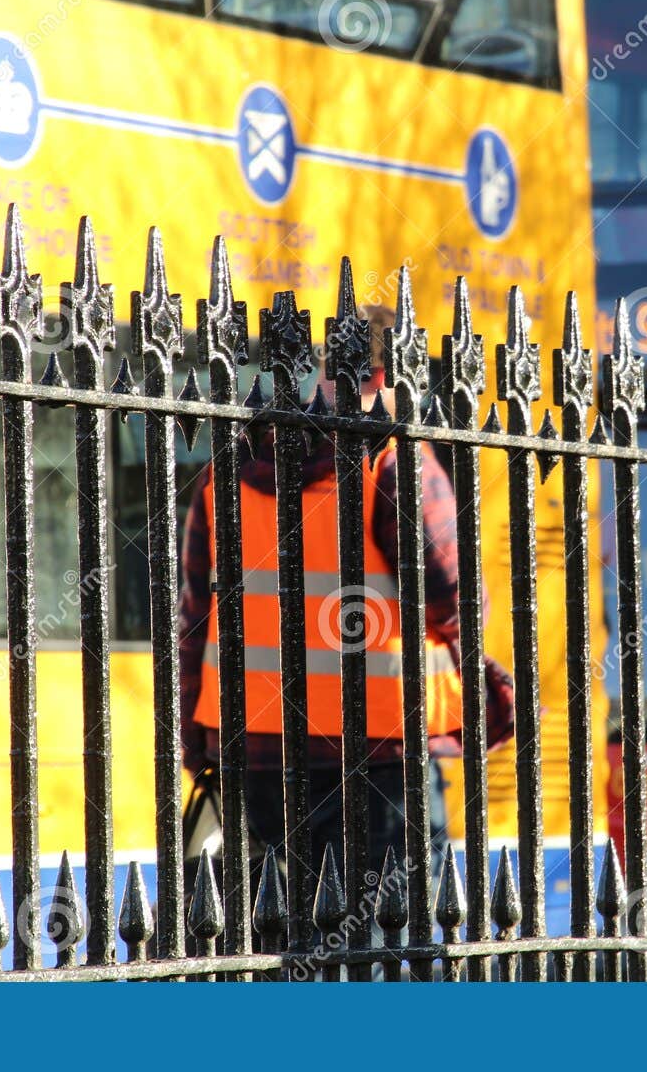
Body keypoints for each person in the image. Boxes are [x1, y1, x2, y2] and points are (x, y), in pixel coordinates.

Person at [177, 303, 514, 907]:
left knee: (272, 932)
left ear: (327, 366)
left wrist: (195, 735)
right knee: (385, 937)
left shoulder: (230, 466)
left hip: (256, 747)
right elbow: (453, 594)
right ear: (387, 376)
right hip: (381, 749)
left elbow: (195, 617)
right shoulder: (391, 458)